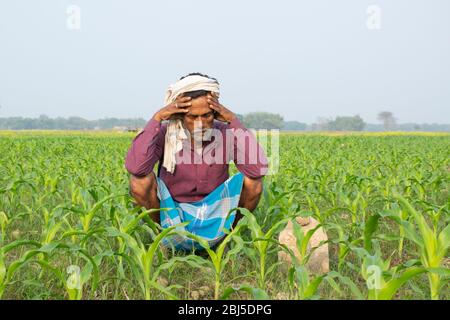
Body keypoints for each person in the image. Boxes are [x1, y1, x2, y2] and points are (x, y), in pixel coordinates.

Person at [125, 72, 268, 251]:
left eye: (206, 115)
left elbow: (257, 170)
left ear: (216, 113)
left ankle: (226, 240)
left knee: (253, 182)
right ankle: (163, 239)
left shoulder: (225, 133)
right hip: (172, 211)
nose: (200, 123)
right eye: (192, 117)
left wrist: (233, 120)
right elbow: (136, 168)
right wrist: (157, 118)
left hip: (216, 211)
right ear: (179, 114)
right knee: (140, 181)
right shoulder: (165, 133)